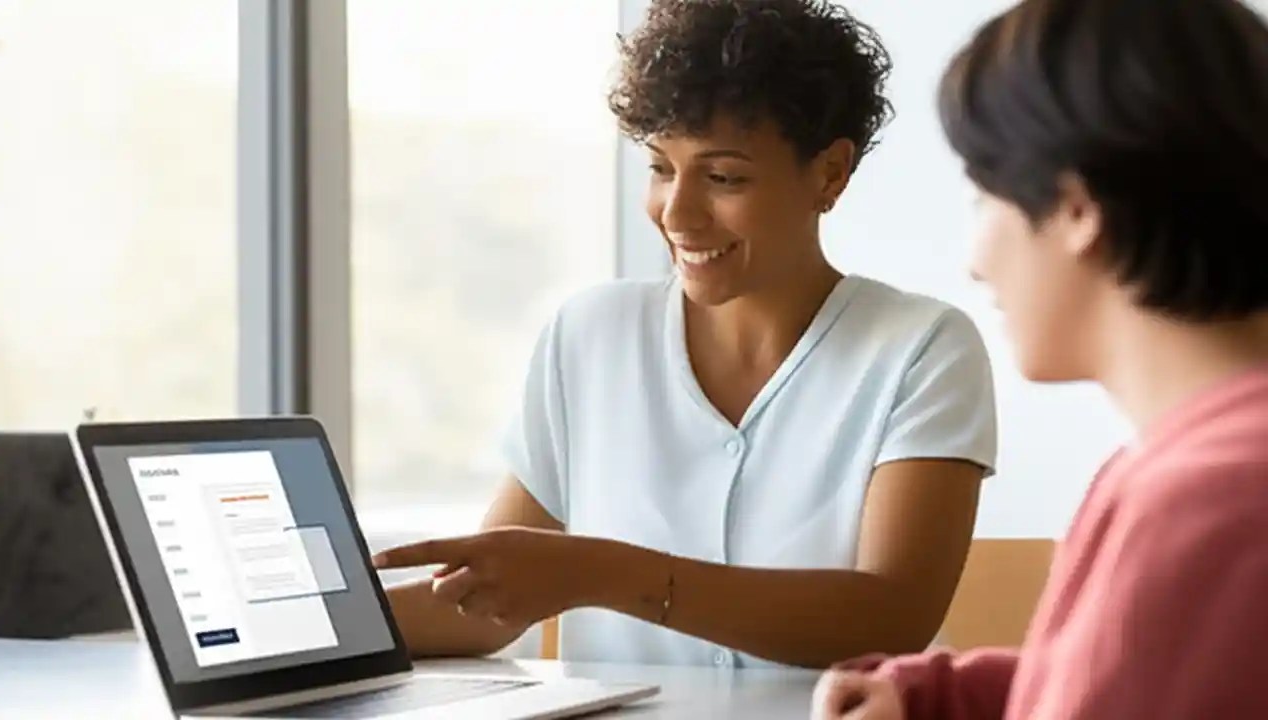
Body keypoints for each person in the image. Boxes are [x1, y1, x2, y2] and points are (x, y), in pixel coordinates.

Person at [372, 0, 998, 670]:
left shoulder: (923, 348)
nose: (678, 213)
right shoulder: (588, 337)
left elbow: (888, 617)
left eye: (724, 176)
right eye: (660, 168)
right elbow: (486, 604)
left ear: (830, 172)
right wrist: (281, 644)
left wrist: (599, 572)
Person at [811, 0, 1268, 716]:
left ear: (1078, 210)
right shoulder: (1198, 471)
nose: (975, 261)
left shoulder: (1204, 503)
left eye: (983, 198)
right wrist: (940, 696)